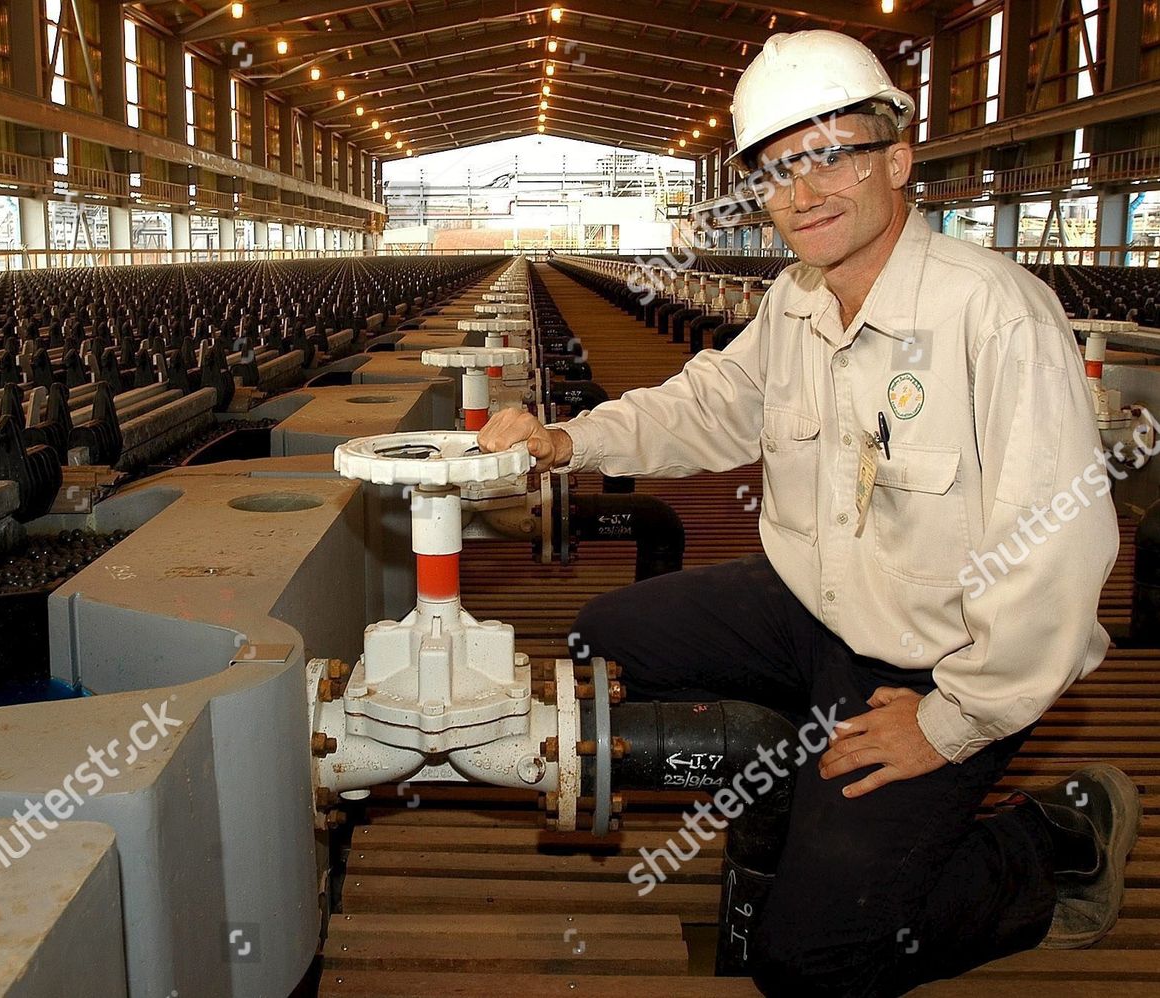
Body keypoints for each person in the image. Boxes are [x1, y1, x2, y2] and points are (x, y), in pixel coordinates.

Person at [479, 29, 1139, 998]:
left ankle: (1057, 842)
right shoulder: (795, 302)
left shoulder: (995, 317)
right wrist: (566, 439)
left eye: (833, 151)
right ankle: (795, 777)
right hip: (810, 608)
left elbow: (1061, 555)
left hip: (935, 656)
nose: (805, 187)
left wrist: (952, 721)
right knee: (601, 640)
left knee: (813, 957)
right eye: (780, 166)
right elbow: (706, 405)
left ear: (898, 158)